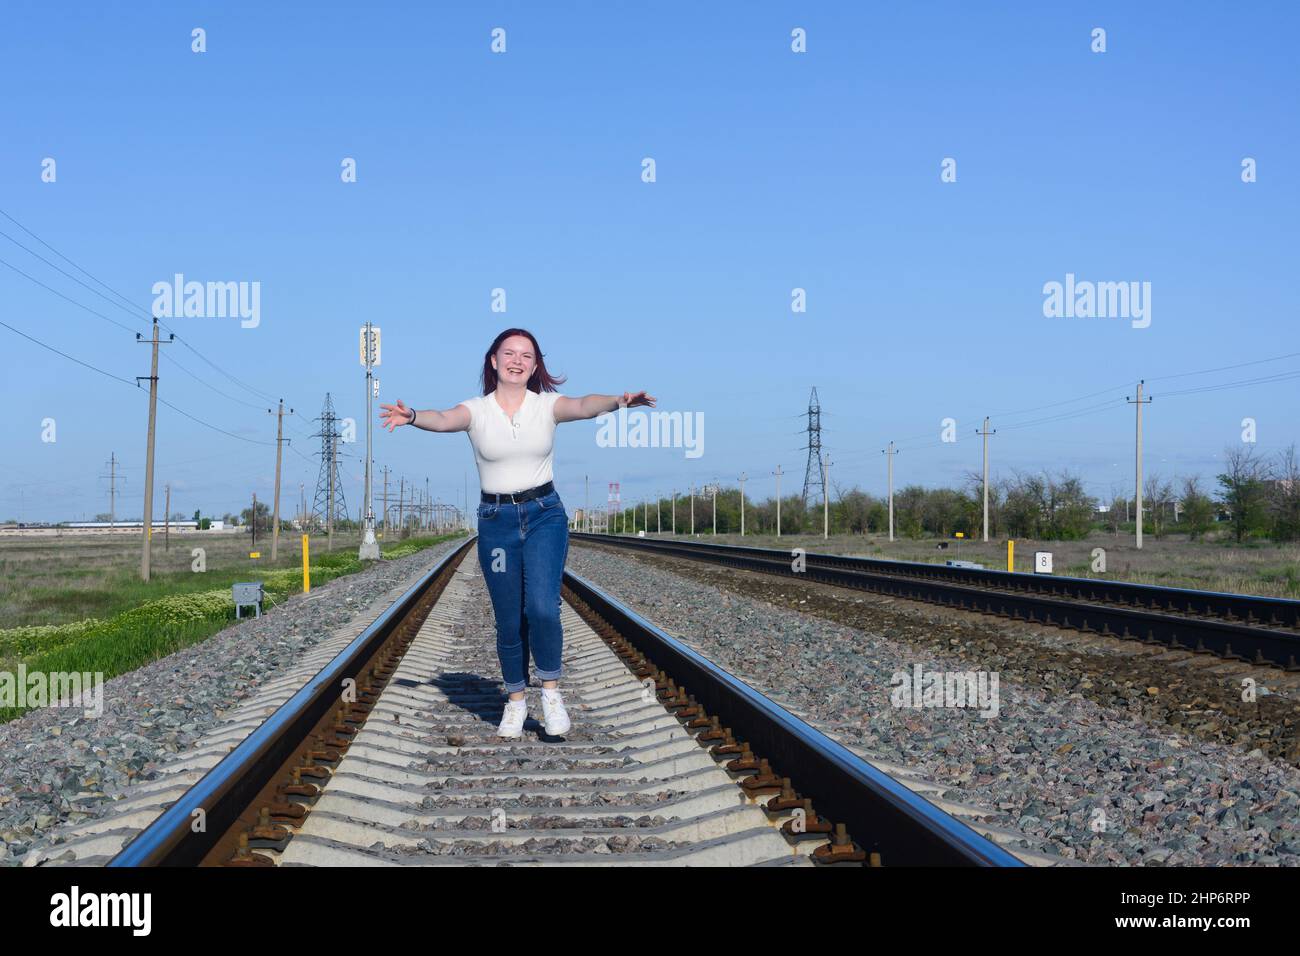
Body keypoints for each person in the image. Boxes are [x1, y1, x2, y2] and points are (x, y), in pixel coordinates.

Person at [380, 327, 654, 738]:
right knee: (509, 619)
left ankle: (551, 693)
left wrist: (617, 402)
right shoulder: (477, 410)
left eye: (527, 355)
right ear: (493, 361)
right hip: (496, 522)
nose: (517, 360)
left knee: (542, 608)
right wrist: (414, 416)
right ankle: (515, 700)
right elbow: (444, 419)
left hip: (545, 515)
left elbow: (582, 404)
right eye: (509, 353)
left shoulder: (547, 406)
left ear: (535, 365)